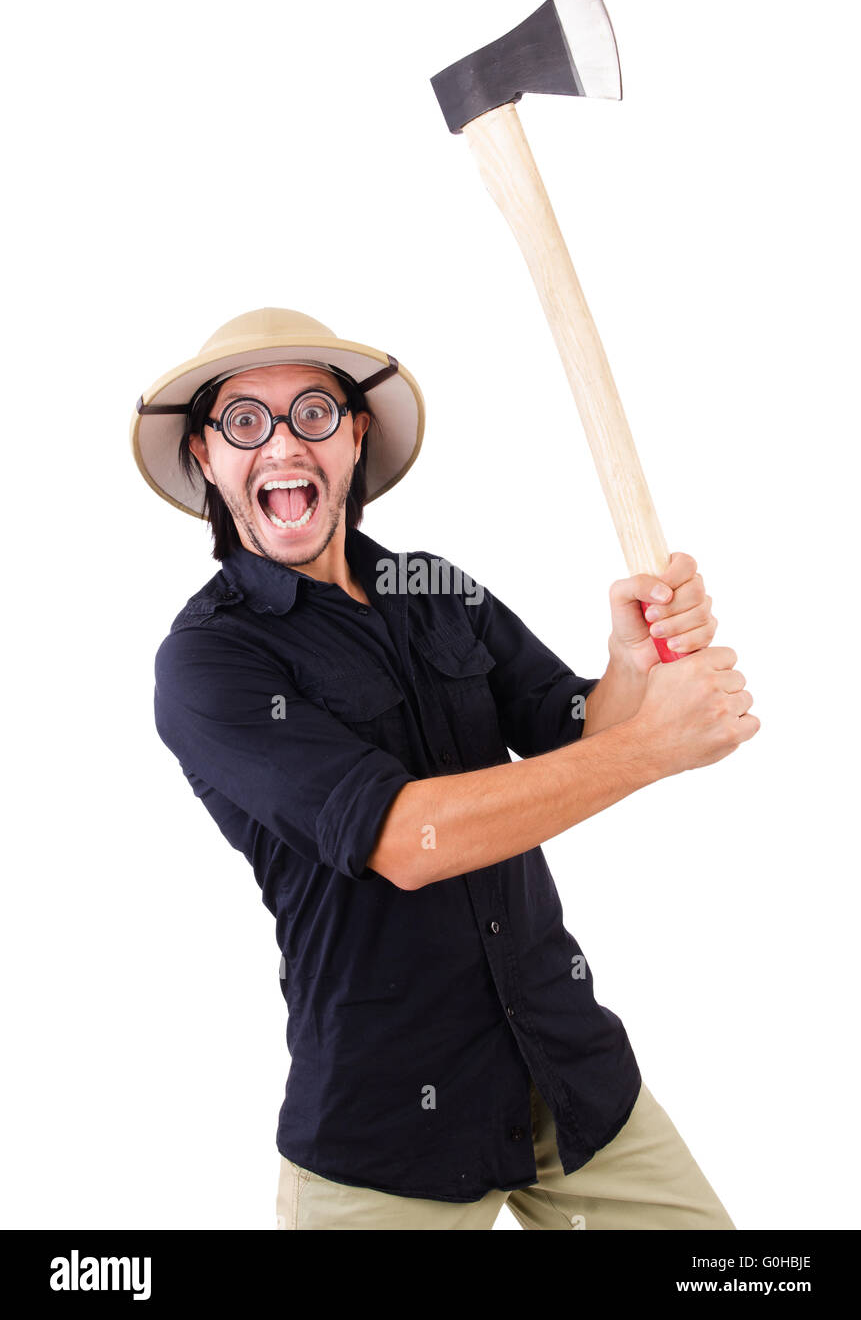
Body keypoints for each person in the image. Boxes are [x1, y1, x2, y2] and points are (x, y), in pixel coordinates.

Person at [132, 306, 759, 1231]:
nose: (279, 444)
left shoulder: (434, 588)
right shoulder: (207, 663)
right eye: (243, 421)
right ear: (206, 456)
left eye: (311, 413)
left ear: (352, 437)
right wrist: (655, 745)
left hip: (571, 1077)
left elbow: (573, 729)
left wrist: (629, 669)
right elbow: (408, 840)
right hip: (386, 1134)